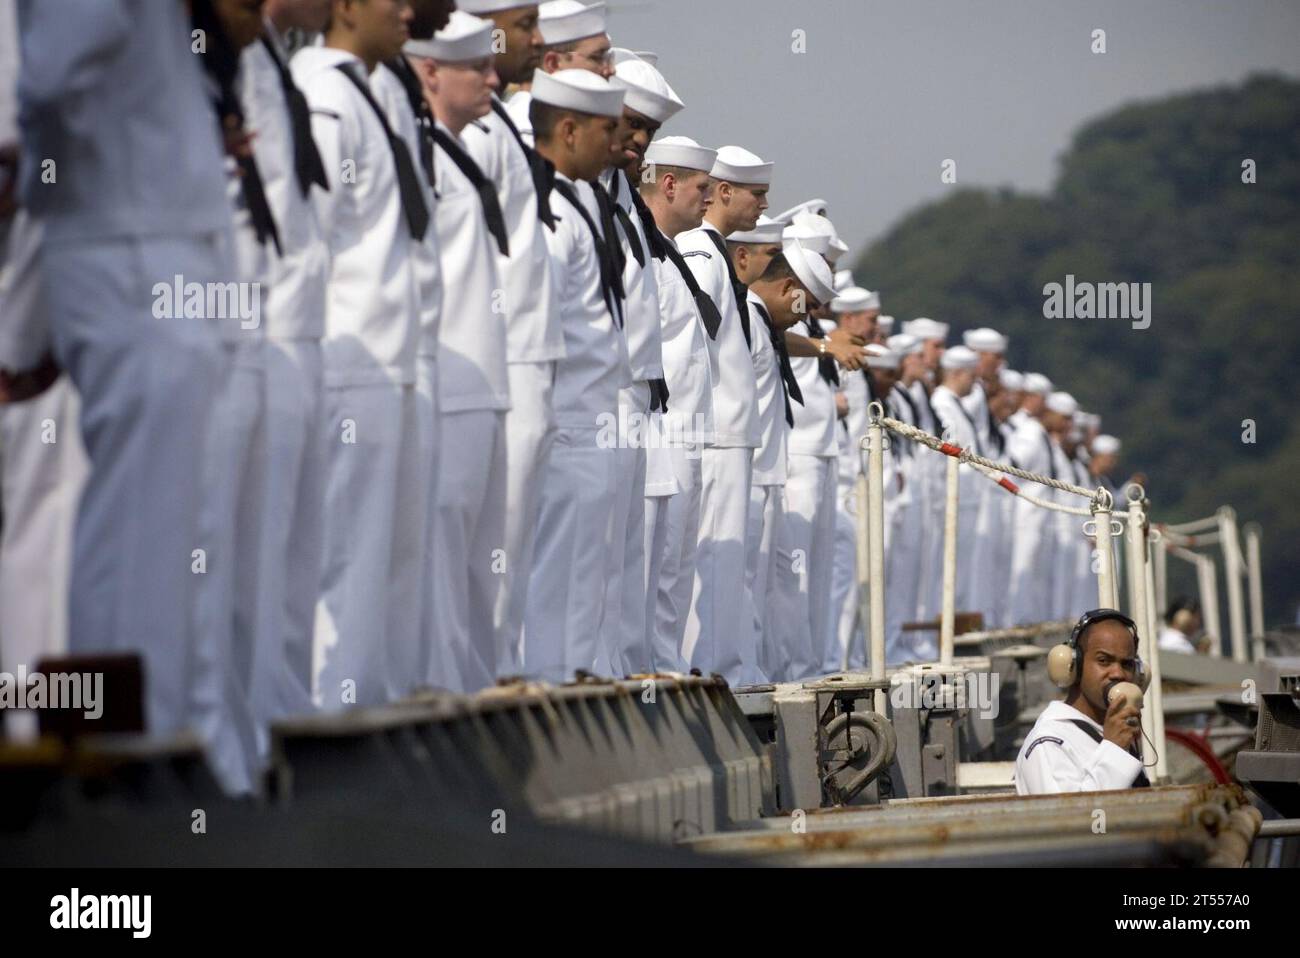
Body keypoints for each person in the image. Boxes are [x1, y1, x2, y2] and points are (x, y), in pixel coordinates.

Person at [19, 0, 233, 741]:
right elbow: (55, 71)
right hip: (127, 238)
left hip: (146, 234)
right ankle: (109, 746)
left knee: (163, 533)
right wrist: (56, 181)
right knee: (138, 530)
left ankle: (138, 737)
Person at [293, 0, 426, 710]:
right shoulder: (323, 92)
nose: (407, 10)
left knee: (384, 561)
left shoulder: (373, 92)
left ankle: (369, 703)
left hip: (390, 359)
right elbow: (309, 236)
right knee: (342, 557)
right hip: (348, 357)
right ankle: (330, 710)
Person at [405, 11, 511, 692]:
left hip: (483, 382)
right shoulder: (417, 152)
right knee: (439, 563)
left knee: (480, 571)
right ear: (431, 72)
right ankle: (445, 698)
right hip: (445, 382)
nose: (492, 80)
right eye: (477, 68)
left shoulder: (455, 155)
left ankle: (473, 697)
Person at [458, 0, 562, 678]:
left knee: (509, 543)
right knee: (483, 545)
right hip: (496, 351)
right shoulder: (476, 128)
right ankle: (480, 681)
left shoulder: (495, 119)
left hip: (524, 352)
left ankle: (497, 675)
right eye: (524, 24)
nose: (536, 38)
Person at [0, 0, 89, 741]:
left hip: (50, 333)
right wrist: (24, 349)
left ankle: (53, 734)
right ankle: (38, 738)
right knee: (44, 540)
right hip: (32, 339)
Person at [521, 68, 628, 682]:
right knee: (554, 585)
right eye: (605, 129)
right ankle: (549, 691)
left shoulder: (577, 201)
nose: (615, 142)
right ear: (567, 130)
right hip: (566, 422)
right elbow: (540, 325)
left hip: (594, 421)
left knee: (584, 581)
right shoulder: (548, 212)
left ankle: (571, 684)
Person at [596, 55, 683, 677]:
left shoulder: (622, 192)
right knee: (591, 550)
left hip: (634, 397)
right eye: (632, 125)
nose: (639, 143)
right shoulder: (580, 186)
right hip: (595, 391)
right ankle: (585, 676)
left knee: (625, 555)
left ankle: (621, 673)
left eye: (649, 133)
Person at [676, 145, 772, 685]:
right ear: (725, 192)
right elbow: (691, 343)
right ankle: (715, 670)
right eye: (756, 194)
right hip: (715, 431)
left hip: (729, 431)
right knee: (714, 558)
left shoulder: (713, 252)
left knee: (728, 561)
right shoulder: (700, 251)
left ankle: (728, 665)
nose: (763, 205)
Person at [637, 135, 719, 672]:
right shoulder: (643, 251)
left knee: (674, 571)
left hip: (687, 433)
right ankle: (648, 670)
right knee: (654, 565)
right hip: (657, 432)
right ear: (669, 184)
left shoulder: (669, 254)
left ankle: (665, 665)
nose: (708, 198)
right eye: (701, 187)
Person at [725, 216, 793, 680]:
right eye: (772, 256)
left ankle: (752, 668)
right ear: (743, 256)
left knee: (756, 582)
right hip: (737, 458)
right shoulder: (745, 308)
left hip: (759, 463)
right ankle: (738, 672)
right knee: (737, 576)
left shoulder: (755, 313)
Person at [1015, 609, 1150, 794]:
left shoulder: (1111, 731)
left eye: (1126, 664)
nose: (1118, 673)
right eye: (1104, 660)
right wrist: (1115, 750)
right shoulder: (1048, 743)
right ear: (1074, 666)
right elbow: (1073, 812)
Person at [927, 345, 985, 618]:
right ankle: (944, 624)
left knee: (960, 566)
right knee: (947, 566)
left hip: (966, 494)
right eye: (971, 375)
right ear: (958, 374)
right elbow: (949, 446)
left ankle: (954, 622)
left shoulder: (956, 404)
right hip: (953, 492)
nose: (974, 381)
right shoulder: (942, 402)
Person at [504, 0, 611, 141]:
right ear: (553, 64)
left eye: (608, 58)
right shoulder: (528, 133)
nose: (610, 70)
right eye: (597, 57)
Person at [1006, 372, 1058, 625]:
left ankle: (1028, 617)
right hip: (1025, 507)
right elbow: (1016, 464)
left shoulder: (1034, 428)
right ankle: (1017, 619)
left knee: (1034, 568)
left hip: (1037, 510)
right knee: (1022, 566)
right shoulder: (1025, 427)